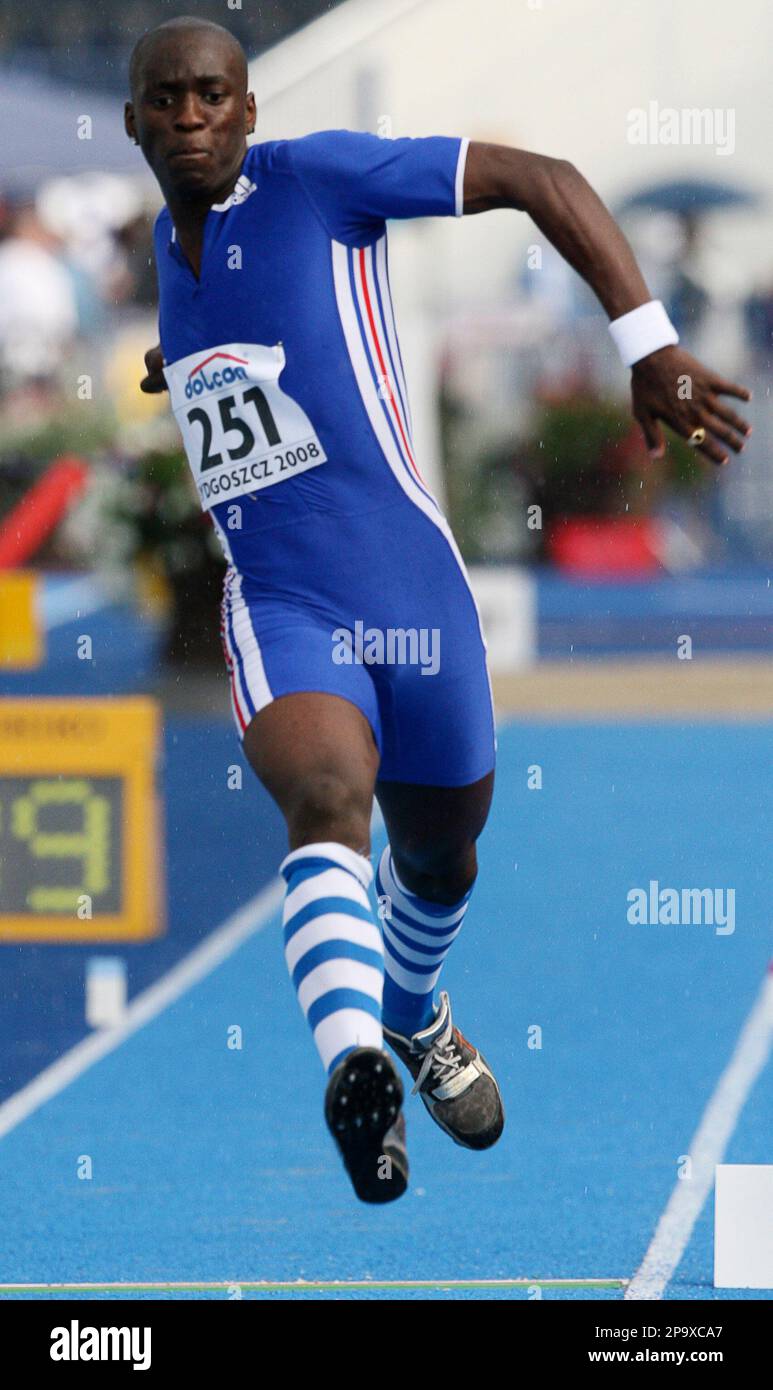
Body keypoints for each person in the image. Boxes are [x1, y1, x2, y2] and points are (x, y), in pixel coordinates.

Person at [126, 16, 751, 1204]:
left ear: (249, 110)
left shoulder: (317, 176)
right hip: (281, 605)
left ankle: (412, 1016)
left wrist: (648, 340)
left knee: (442, 855)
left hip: (412, 596)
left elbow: (541, 178)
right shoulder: (166, 242)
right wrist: (180, 353)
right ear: (135, 122)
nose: (192, 117)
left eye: (214, 96)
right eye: (168, 100)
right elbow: (233, 347)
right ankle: (356, 1068)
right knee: (322, 800)